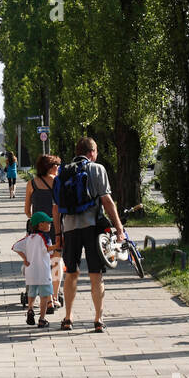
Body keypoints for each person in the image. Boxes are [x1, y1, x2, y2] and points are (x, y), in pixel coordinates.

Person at [54, 137, 125, 333]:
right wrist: (119, 228)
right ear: (92, 152)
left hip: (69, 228)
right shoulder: (97, 169)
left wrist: (58, 234)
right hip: (92, 228)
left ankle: (68, 317)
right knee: (96, 274)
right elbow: (107, 201)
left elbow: (57, 207)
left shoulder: (63, 171)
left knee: (71, 274)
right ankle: (98, 319)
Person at [25, 154, 64, 310]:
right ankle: (53, 297)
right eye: (57, 165)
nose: (58, 168)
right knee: (56, 261)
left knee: (39, 262)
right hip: (56, 227)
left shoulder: (31, 184)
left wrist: (38, 219)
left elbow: (27, 211)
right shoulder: (57, 183)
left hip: (36, 230)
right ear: (51, 167)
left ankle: (43, 297)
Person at [13, 212, 56, 327]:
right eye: (47, 222)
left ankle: (30, 309)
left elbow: (15, 247)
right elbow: (48, 250)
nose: (50, 224)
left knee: (31, 293)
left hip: (31, 271)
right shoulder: (45, 237)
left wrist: (25, 258)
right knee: (44, 296)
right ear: (40, 225)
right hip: (43, 272)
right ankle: (42, 318)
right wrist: (58, 246)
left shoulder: (29, 238)